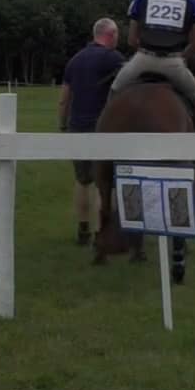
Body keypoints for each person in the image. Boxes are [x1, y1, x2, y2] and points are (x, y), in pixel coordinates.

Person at [110, 0, 195, 132]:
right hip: (174, 63)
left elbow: (131, 40)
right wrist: (182, 57)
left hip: (143, 59)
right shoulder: (191, 1)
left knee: (114, 90)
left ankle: (106, 141)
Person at [58, 18, 126, 245]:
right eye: (117, 35)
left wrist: (63, 125)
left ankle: (82, 230)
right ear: (111, 34)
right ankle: (102, 233)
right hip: (102, 129)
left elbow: (64, 100)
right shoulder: (114, 59)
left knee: (82, 181)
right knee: (104, 183)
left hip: (77, 127)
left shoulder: (75, 60)